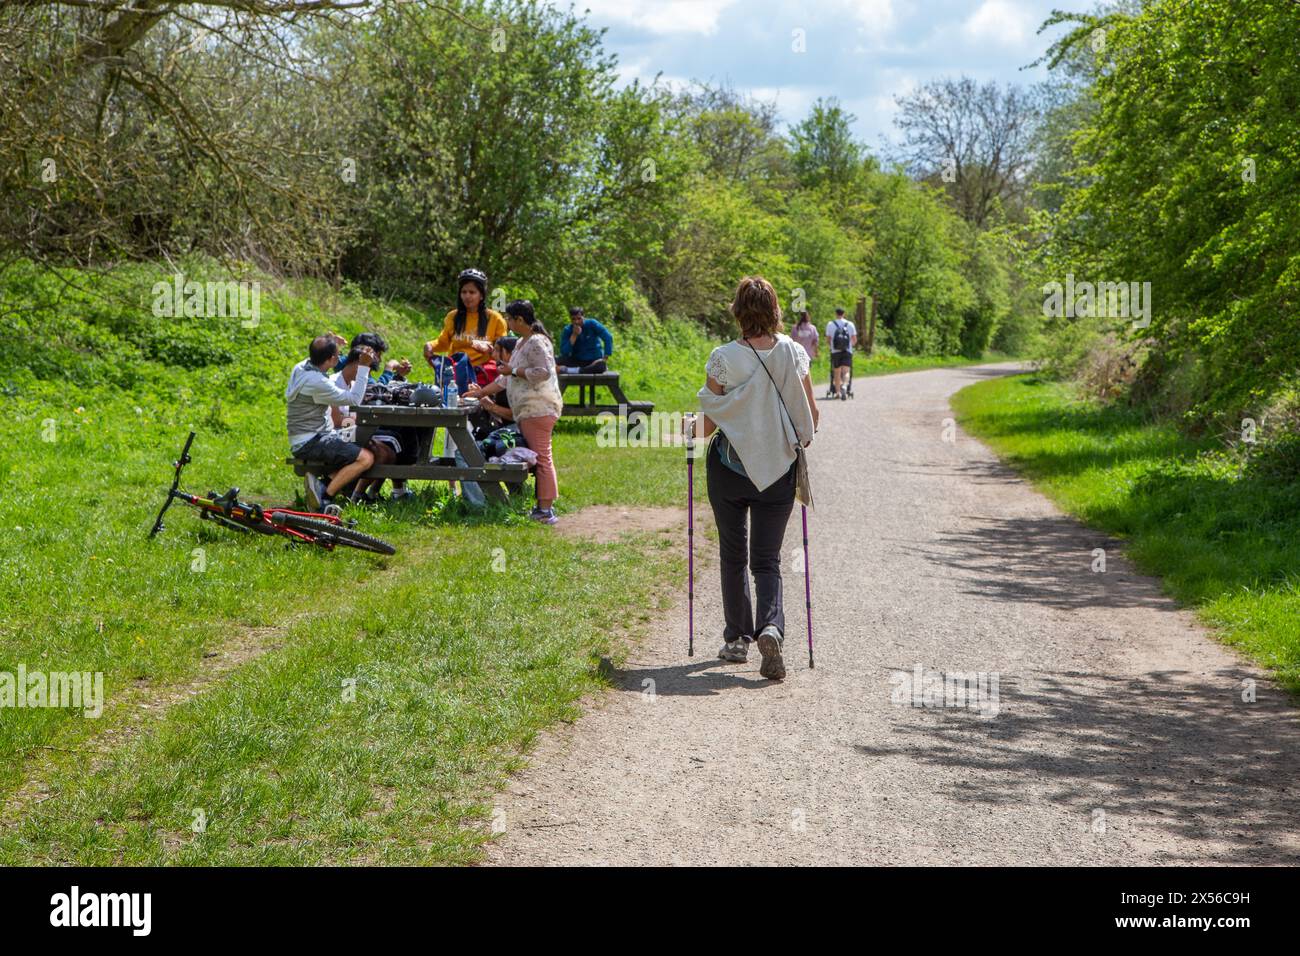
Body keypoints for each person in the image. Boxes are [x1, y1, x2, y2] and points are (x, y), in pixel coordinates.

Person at [697, 276, 818, 680]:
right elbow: (811, 418)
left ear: (737, 312)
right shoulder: (794, 352)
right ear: (775, 311)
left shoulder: (723, 357)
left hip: (730, 469)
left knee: (733, 556)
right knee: (766, 560)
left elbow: (708, 423)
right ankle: (770, 627)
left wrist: (686, 429)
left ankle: (736, 640)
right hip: (778, 470)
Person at [464, 301, 563, 524]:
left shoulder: (537, 341)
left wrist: (514, 370)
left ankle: (546, 509)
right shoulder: (521, 343)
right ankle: (542, 507)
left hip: (538, 408)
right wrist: (479, 393)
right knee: (540, 457)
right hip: (527, 410)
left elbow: (543, 372)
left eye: (509, 318)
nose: (507, 322)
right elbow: (504, 379)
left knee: (543, 459)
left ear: (520, 320)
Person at [285, 336, 378, 514]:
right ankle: (324, 497)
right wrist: (364, 367)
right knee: (366, 458)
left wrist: (333, 343)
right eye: (337, 355)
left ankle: (321, 486)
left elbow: (318, 354)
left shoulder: (300, 368)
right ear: (331, 360)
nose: (340, 358)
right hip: (311, 441)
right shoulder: (318, 383)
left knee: (358, 442)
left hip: (306, 437)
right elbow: (354, 399)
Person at [423, 268, 508, 393]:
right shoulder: (453, 316)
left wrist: (489, 348)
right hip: (457, 372)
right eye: (464, 292)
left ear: (481, 295)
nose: (467, 296)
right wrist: (430, 346)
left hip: (482, 375)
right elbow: (443, 343)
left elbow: (504, 353)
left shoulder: (495, 318)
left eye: (472, 292)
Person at [557, 307, 613, 373]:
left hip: (594, 360)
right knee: (555, 360)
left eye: (579, 318)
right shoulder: (568, 330)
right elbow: (564, 352)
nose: (576, 322)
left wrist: (605, 358)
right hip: (577, 360)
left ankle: (573, 371)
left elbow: (608, 337)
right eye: (573, 319)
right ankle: (577, 370)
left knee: (601, 366)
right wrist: (574, 336)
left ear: (584, 317)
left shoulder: (592, 324)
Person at [825, 307, 857, 398]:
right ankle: (845, 386)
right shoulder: (850, 324)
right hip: (847, 351)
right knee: (846, 371)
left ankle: (837, 392)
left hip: (835, 352)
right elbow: (854, 340)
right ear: (844, 313)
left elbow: (828, 339)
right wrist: (850, 346)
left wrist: (831, 346)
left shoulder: (830, 324)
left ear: (836, 314)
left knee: (837, 372)